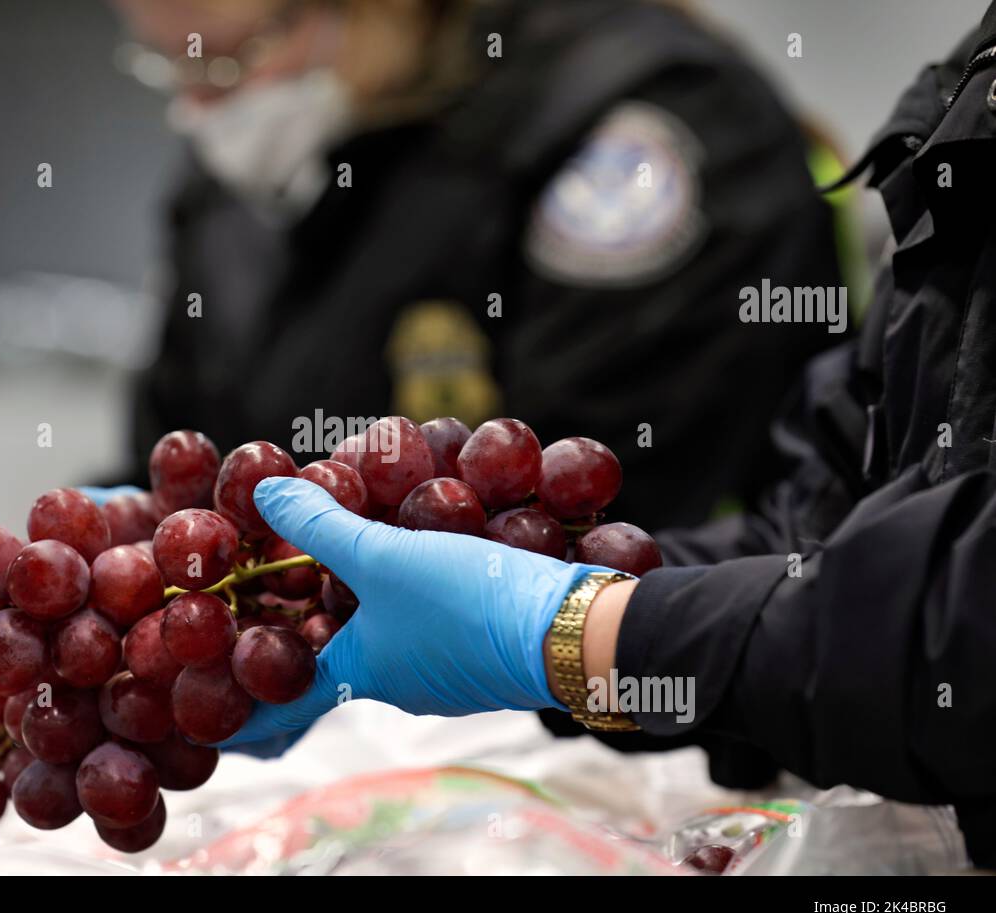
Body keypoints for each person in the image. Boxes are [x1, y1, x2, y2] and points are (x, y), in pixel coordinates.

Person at [214, 4, 996, 869]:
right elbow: (828, 532)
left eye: (236, 52)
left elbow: (953, 627)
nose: (203, 98)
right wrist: (582, 617)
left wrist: (577, 630)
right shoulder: (979, 70)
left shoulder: (655, 113)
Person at [112, 0, 849, 534]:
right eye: (167, 62)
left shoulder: (638, 117)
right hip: (314, 709)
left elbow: (606, 512)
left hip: (601, 709)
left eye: (229, 59)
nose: (199, 105)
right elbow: (179, 449)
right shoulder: (250, 167)